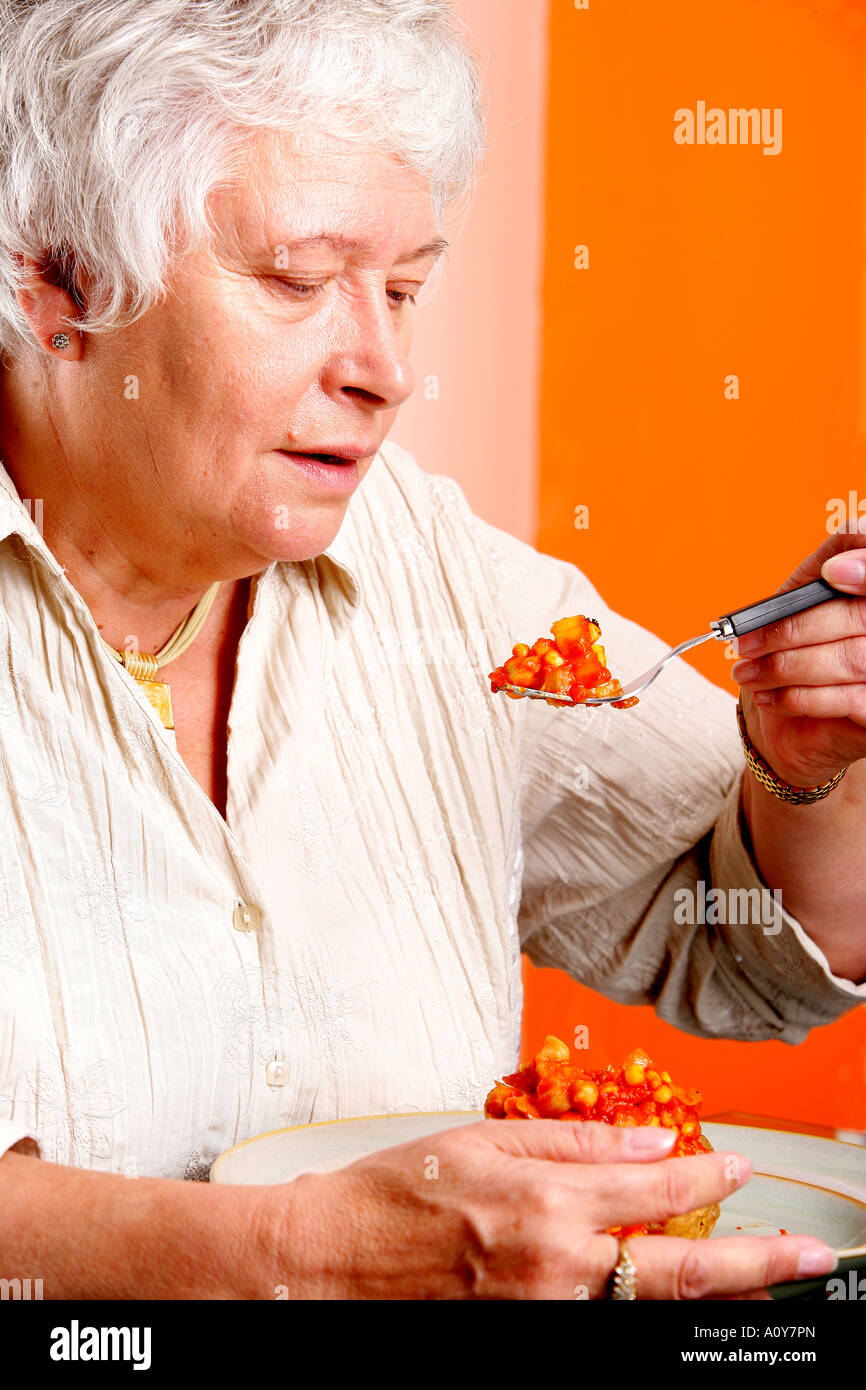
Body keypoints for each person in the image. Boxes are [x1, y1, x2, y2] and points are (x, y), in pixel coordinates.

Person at [0, 0, 862, 1300]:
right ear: (54, 288)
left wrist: (811, 765)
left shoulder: (442, 575)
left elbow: (737, 937)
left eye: (404, 288)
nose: (387, 368)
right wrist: (307, 1252)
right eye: (297, 282)